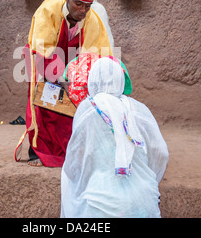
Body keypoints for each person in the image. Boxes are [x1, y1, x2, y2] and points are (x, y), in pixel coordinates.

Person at [15, 0, 113, 167]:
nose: (82, 11)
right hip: (44, 58)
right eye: (78, 4)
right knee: (44, 101)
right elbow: (43, 48)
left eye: (87, 6)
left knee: (71, 106)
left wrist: (79, 81)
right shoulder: (49, 9)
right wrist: (61, 78)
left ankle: (67, 152)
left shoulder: (92, 20)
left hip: (72, 65)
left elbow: (95, 56)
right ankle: (38, 152)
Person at [61, 57, 169, 218]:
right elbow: (161, 153)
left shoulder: (88, 109)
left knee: (66, 176)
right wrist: (146, 177)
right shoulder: (139, 109)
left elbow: (74, 162)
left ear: (93, 81)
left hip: (98, 207)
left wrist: (83, 181)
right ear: (120, 80)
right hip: (143, 203)